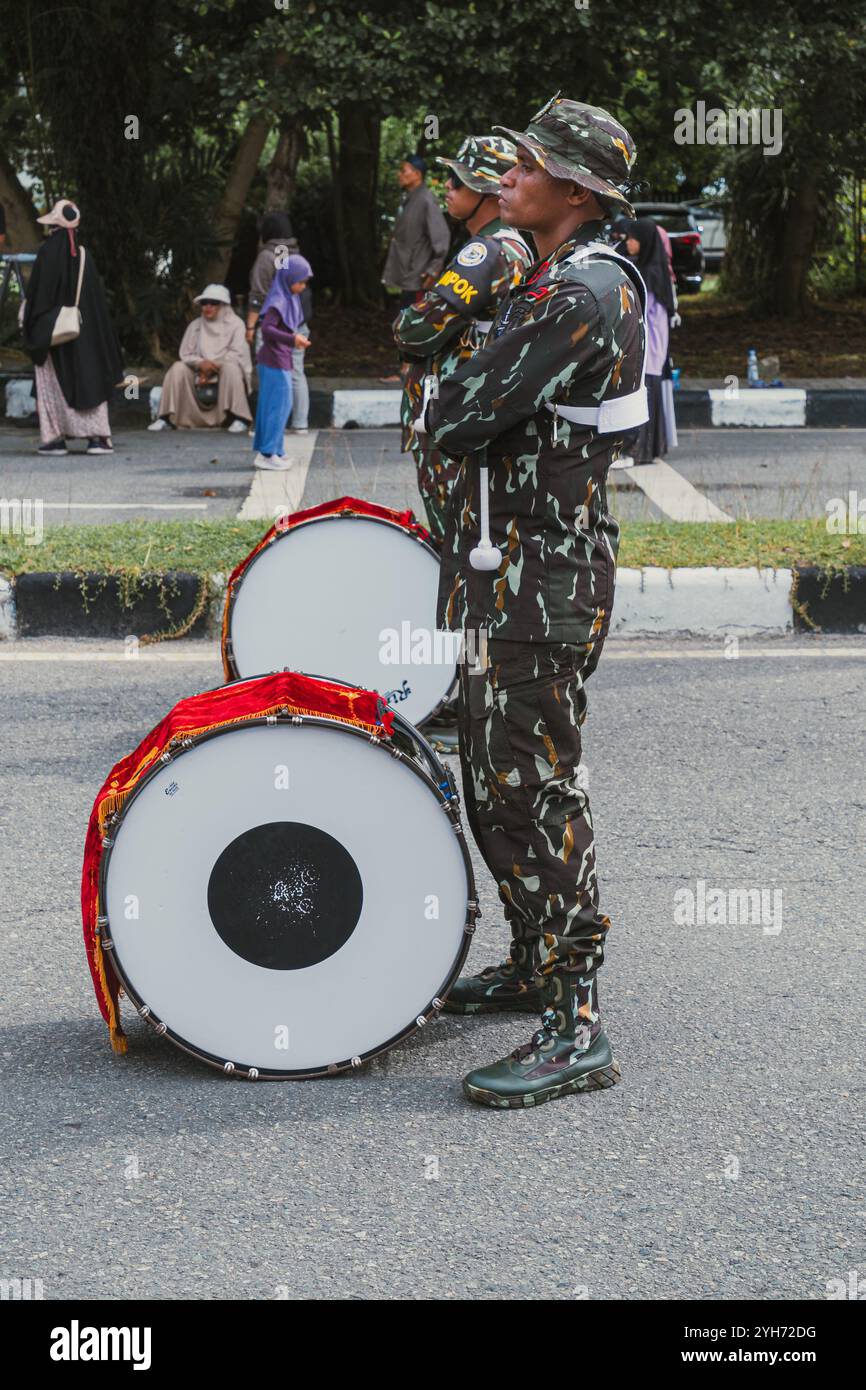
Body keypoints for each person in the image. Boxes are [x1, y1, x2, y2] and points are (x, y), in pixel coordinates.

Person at [419, 96, 647, 1108]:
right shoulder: (553, 277)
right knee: (489, 779)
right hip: (505, 568)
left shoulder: (580, 293)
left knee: (532, 790)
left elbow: (462, 412)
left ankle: (573, 1022)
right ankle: (529, 962)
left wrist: (460, 355)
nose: (508, 175)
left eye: (530, 167)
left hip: (537, 582)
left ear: (574, 192)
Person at [393, 135, 532, 543]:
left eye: (458, 182)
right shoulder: (515, 245)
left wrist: (402, 328)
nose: (447, 189)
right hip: (472, 412)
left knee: (457, 539)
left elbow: (419, 327)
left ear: (487, 191)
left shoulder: (488, 251)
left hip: (452, 415)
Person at [21, 199, 123, 456]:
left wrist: (35, 327)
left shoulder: (47, 253)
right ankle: (98, 438)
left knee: (53, 383)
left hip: (54, 335)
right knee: (90, 377)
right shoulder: (84, 254)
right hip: (85, 335)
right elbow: (95, 303)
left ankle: (55, 439)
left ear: (54, 225)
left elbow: (38, 297)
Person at [609, 218, 677, 468]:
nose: (629, 243)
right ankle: (647, 450)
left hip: (649, 346)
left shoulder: (650, 274)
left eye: (633, 239)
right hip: (653, 346)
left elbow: (646, 313)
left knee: (642, 396)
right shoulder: (651, 269)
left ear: (645, 241)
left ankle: (634, 452)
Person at [380, 155, 450, 382]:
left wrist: (432, 271)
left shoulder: (426, 200)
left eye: (404, 170)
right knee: (405, 319)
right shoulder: (410, 198)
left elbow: (441, 238)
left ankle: (408, 372)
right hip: (408, 273)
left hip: (419, 276)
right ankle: (405, 369)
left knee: (413, 322)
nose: (400, 175)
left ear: (417, 174)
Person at [150, 285, 252, 432]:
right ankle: (166, 418)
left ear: (224, 306)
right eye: (205, 303)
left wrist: (213, 366)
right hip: (198, 370)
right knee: (178, 368)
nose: (208, 307)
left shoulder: (237, 325)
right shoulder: (195, 325)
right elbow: (186, 354)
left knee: (231, 368)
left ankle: (238, 417)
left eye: (213, 303)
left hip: (225, 370)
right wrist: (200, 364)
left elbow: (237, 353)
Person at [246, 211, 312, 433]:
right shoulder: (294, 254)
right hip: (297, 322)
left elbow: (258, 295)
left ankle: (270, 424)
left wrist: (250, 326)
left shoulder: (267, 256)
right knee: (296, 373)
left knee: (269, 373)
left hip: (274, 325)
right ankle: (300, 423)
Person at [252, 256, 312, 471]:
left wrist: (293, 339)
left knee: (281, 405)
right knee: (276, 407)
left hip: (281, 358)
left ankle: (275, 450)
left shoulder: (288, 298)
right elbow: (267, 329)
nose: (303, 287)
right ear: (288, 278)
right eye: (301, 281)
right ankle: (267, 453)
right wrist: (293, 339)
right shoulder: (278, 301)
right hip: (273, 360)